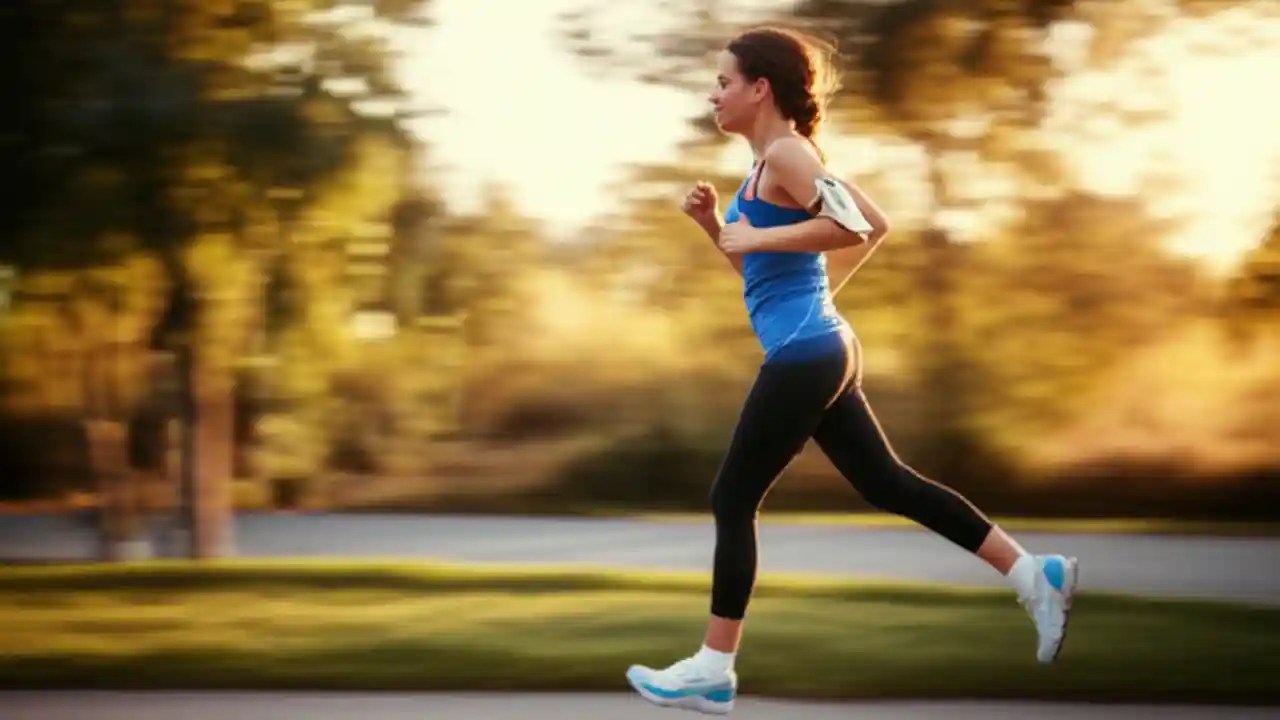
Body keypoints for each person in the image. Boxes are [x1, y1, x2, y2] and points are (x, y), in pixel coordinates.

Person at [623, 26, 1079, 715]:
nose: (713, 94)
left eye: (723, 82)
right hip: (819, 342)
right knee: (888, 484)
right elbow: (797, 259)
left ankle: (714, 667)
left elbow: (852, 230)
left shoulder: (787, 152)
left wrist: (766, 241)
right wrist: (716, 227)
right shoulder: (767, 166)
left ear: (759, 88)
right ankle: (1033, 574)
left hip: (807, 353)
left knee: (732, 498)